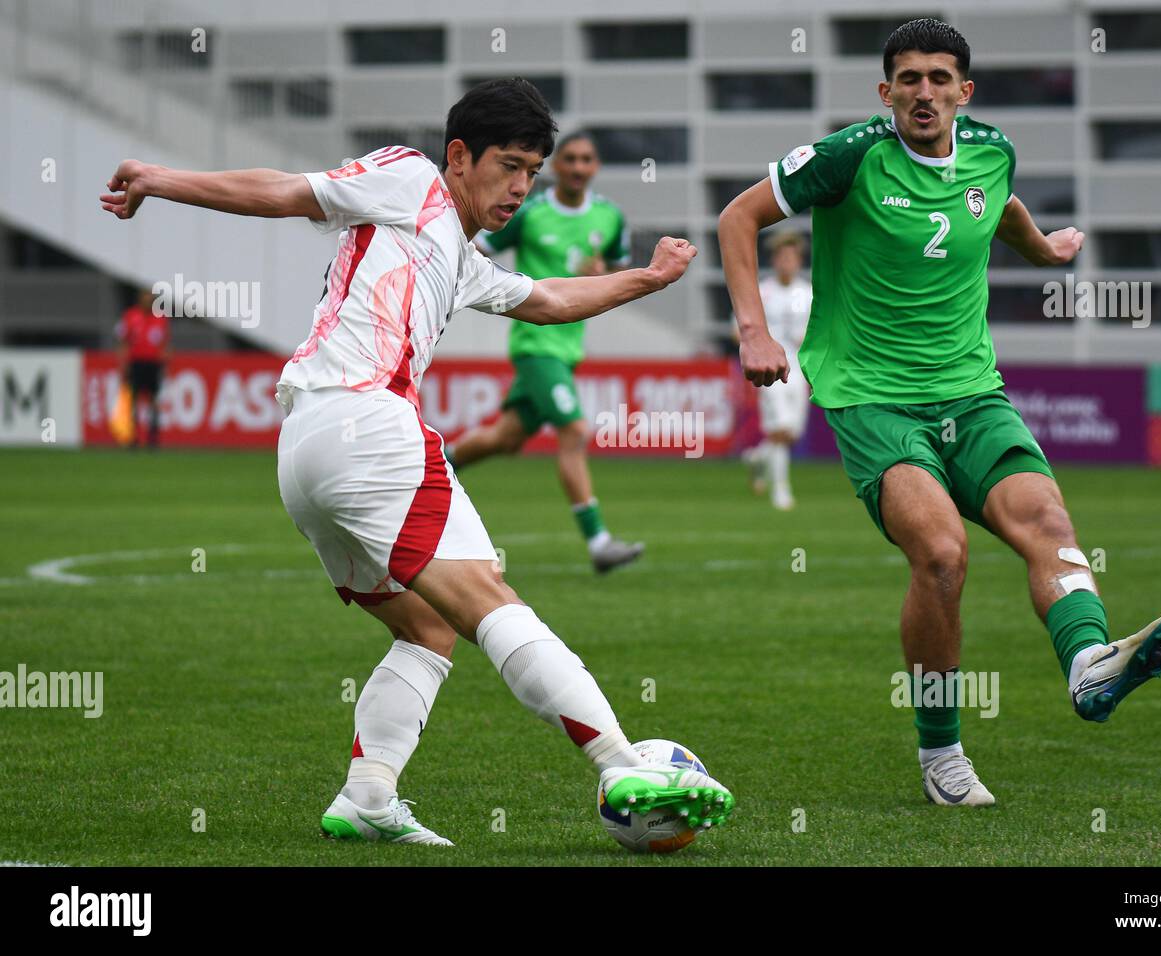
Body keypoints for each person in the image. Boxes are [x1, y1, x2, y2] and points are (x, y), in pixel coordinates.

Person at [100, 77, 734, 844]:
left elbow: (550, 299)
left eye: (533, 171)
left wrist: (650, 278)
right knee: (485, 595)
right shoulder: (411, 181)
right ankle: (618, 760)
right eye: (509, 165)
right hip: (366, 423)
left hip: (306, 449)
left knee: (429, 626)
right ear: (459, 156)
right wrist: (161, 180)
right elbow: (285, 191)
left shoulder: (459, 257)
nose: (522, 188)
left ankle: (368, 796)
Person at [719, 19, 1161, 807]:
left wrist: (1043, 250)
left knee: (1050, 524)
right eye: (908, 78)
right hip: (871, 398)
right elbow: (739, 217)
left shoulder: (992, 151)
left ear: (964, 92)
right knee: (941, 554)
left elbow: (995, 206)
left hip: (973, 392)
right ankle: (942, 756)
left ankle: (1087, 664)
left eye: (939, 78)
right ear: (886, 92)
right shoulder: (849, 156)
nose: (923, 91)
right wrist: (755, 329)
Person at [447, 131, 644, 573]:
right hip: (536, 342)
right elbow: (477, 248)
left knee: (507, 437)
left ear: (595, 167)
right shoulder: (529, 213)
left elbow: (615, 266)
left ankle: (440, 463)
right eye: (569, 158)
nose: (577, 166)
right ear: (555, 167)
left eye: (586, 159)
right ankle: (599, 543)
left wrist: (602, 271)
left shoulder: (609, 217)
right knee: (573, 429)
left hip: (569, 345)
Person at [738, 231, 812, 510]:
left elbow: (816, 334)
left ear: (798, 261)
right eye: (781, 257)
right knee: (780, 429)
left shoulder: (807, 293)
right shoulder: (763, 292)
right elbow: (740, 330)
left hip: (798, 370)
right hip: (771, 368)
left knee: (791, 433)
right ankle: (781, 490)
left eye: (791, 257)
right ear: (775, 260)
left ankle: (758, 458)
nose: (786, 262)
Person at [116, 287, 170, 448]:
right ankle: (133, 437)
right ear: (140, 298)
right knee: (133, 400)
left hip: (154, 364)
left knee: (154, 400)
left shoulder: (160, 318)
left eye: (150, 296)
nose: (148, 299)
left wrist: (165, 364)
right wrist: (123, 363)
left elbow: (164, 344)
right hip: (136, 363)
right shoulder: (130, 316)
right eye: (145, 296)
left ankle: (153, 438)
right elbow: (123, 341)